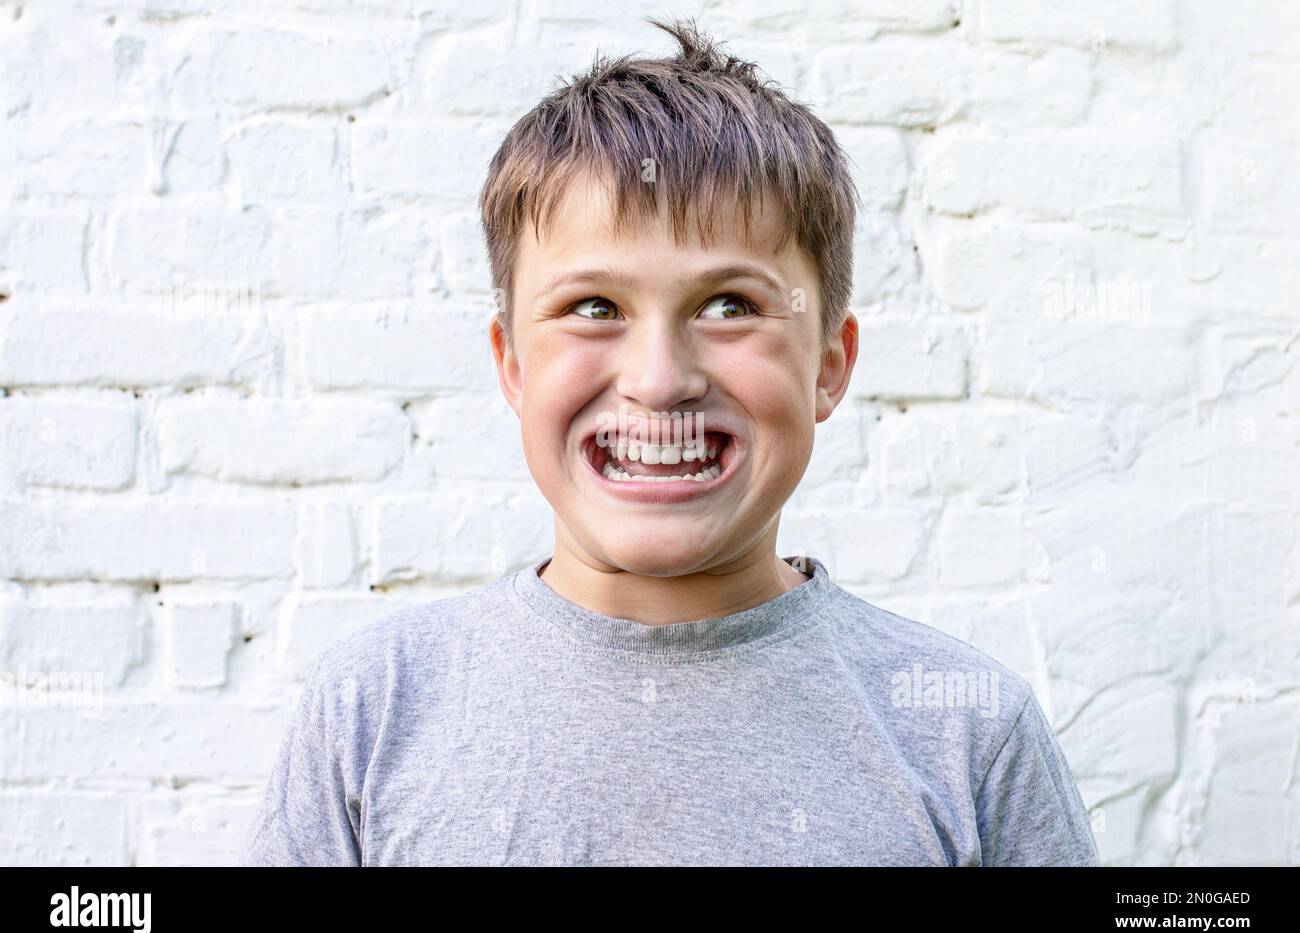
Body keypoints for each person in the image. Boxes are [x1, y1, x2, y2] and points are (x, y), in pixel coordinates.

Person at [239, 15, 1100, 866]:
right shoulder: (374, 711)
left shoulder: (970, 734)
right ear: (512, 366)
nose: (658, 379)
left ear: (829, 364)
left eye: (730, 306)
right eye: (594, 308)